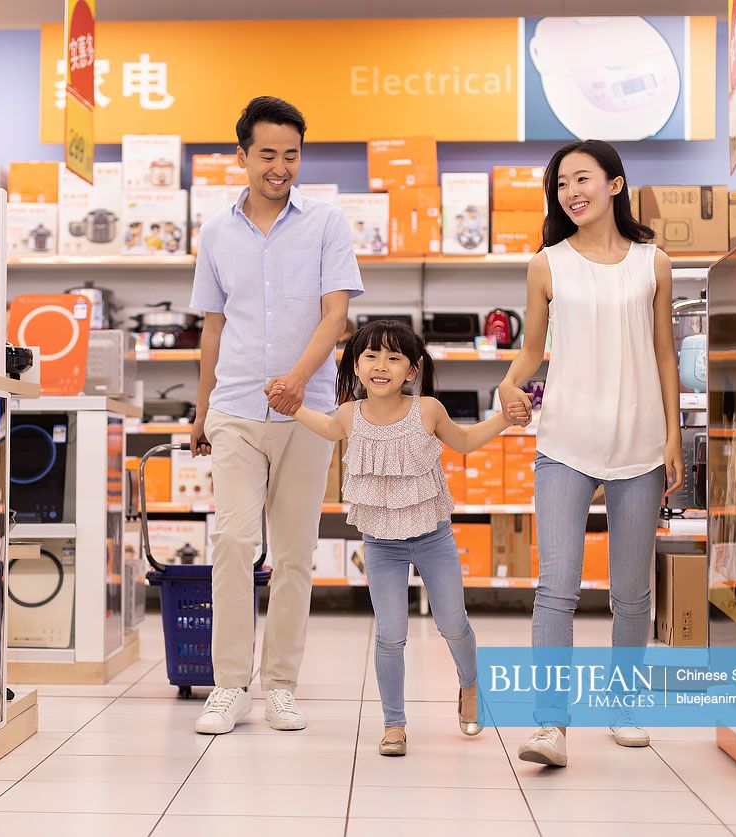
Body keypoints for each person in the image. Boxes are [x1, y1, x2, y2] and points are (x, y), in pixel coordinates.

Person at [498, 140, 683, 768]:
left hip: (639, 440)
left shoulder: (653, 263)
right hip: (566, 442)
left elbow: (664, 354)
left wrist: (674, 437)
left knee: (632, 594)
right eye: (561, 184)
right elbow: (530, 353)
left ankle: (625, 707)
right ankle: (551, 724)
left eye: (583, 178)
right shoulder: (547, 264)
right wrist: (507, 385)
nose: (571, 191)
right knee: (556, 589)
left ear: (615, 184)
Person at [188, 96, 364, 735]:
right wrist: (201, 408)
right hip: (235, 407)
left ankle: (282, 685)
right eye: (267, 154)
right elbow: (212, 325)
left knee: (293, 553)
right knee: (234, 541)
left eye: (291, 155)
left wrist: (295, 381)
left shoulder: (326, 224)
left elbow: (336, 313)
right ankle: (229, 684)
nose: (280, 167)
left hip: (308, 412)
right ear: (242, 157)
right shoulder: (215, 232)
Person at [274, 320, 528, 756]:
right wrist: (291, 406)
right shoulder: (349, 415)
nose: (380, 365)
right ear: (356, 366)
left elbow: (464, 442)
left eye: (394, 357)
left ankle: (470, 684)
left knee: (453, 622)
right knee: (390, 635)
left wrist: (504, 418)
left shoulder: (427, 409)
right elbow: (324, 426)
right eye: (370, 356)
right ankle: (394, 724)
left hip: (433, 537)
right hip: (381, 544)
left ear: (411, 371)